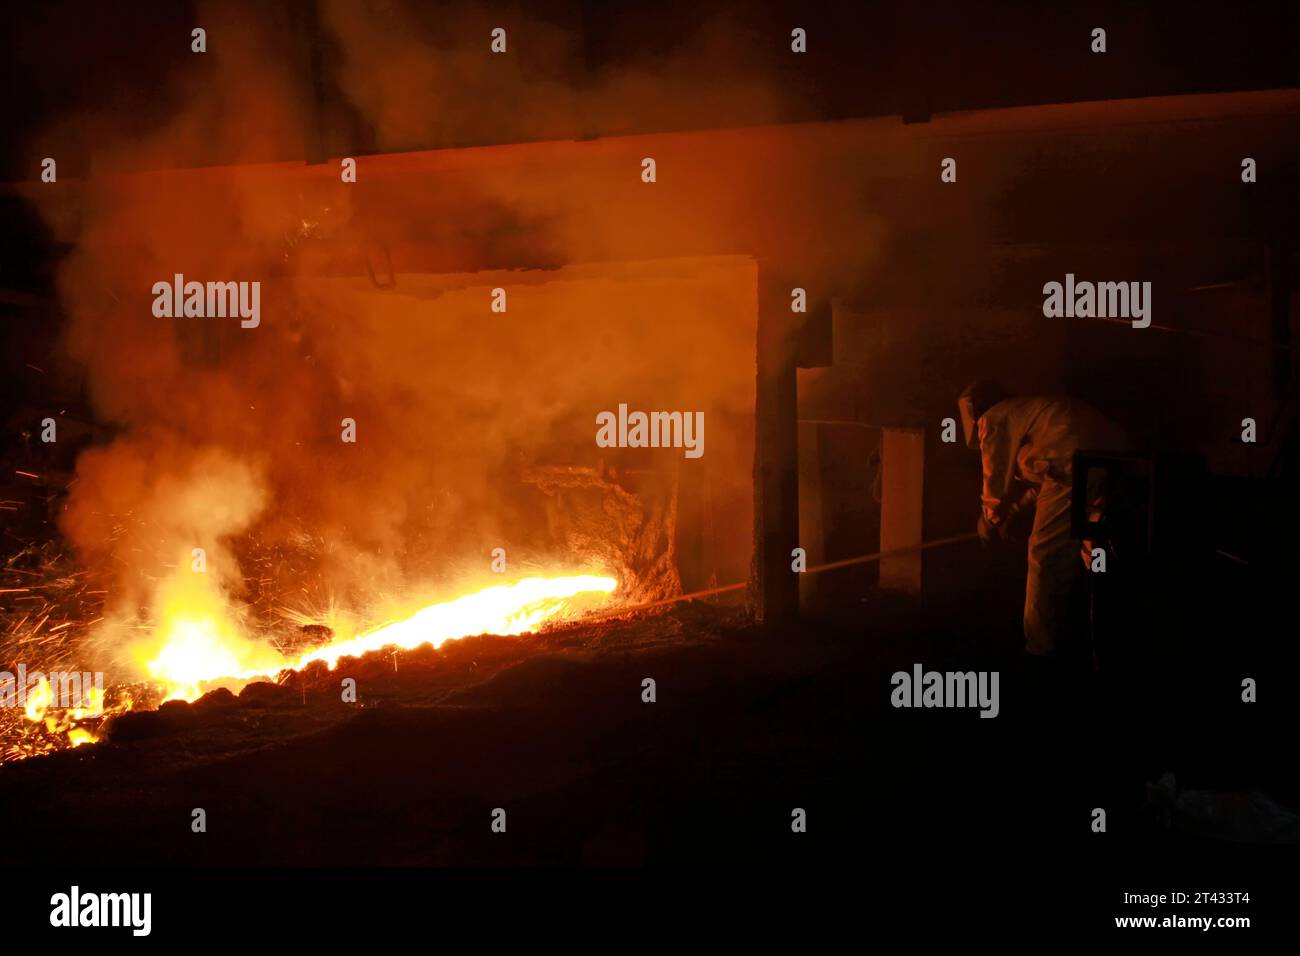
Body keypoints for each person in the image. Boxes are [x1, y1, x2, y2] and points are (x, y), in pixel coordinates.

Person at [958, 381, 1129, 665]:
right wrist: (1013, 510)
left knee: (1045, 552)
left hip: (1074, 463)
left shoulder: (994, 417)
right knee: (1094, 546)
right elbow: (1041, 479)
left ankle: (1041, 650)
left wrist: (990, 517)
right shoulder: (1034, 418)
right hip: (1107, 459)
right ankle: (1102, 627)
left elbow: (994, 476)